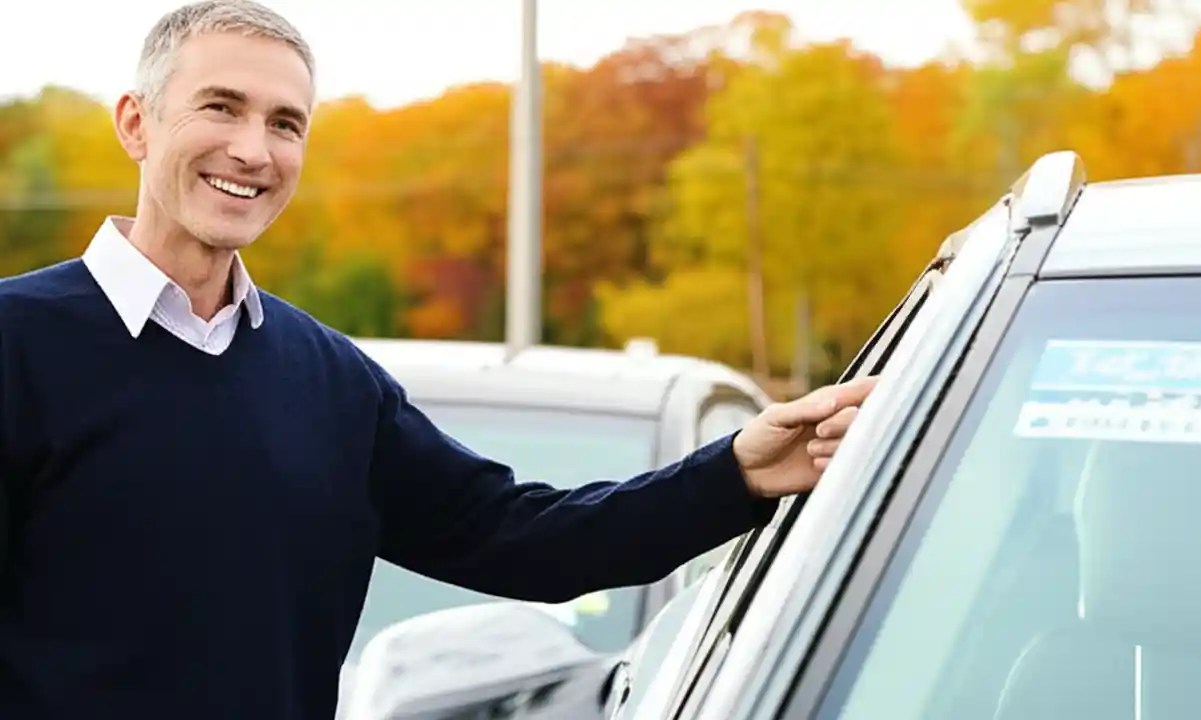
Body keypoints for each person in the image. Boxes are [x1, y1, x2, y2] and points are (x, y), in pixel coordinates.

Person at [0, 2, 877, 718]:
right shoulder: (18, 345)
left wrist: (736, 474)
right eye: (220, 107)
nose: (254, 151)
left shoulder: (331, 383)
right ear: (136, 122)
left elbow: (527, 539)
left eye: (286, 123)